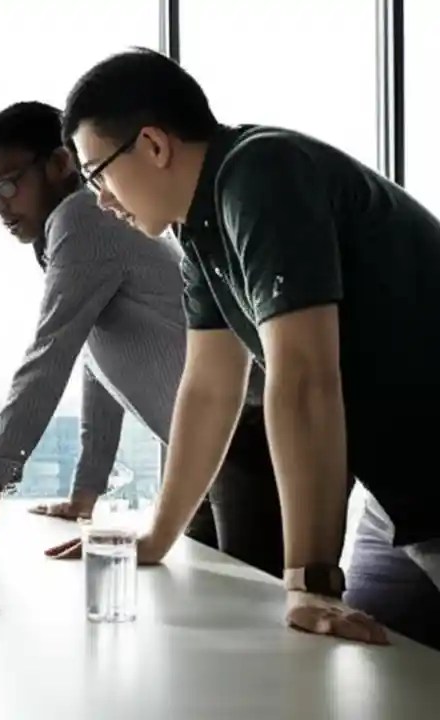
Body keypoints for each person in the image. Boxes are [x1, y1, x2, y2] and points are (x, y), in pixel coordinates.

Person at [57, 47, 440, 646]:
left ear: (154, 145)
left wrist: (308, 580)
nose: (100, 197)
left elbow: (306, 376)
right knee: (381, 672)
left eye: (96, 172)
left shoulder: (261, 174)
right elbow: (210, 388)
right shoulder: (201, 228)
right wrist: (157, 536)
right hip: (398, 498)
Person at [0, 101, 284, 579]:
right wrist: (87, 490)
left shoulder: (81, 218)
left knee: (256, 608)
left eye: (7, 184)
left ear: (61, 164)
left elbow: (48, 357)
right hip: (209, 444)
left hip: (245, 439)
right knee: (218, 602)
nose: (0, 206)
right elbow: (97, 361)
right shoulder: (72, 227)